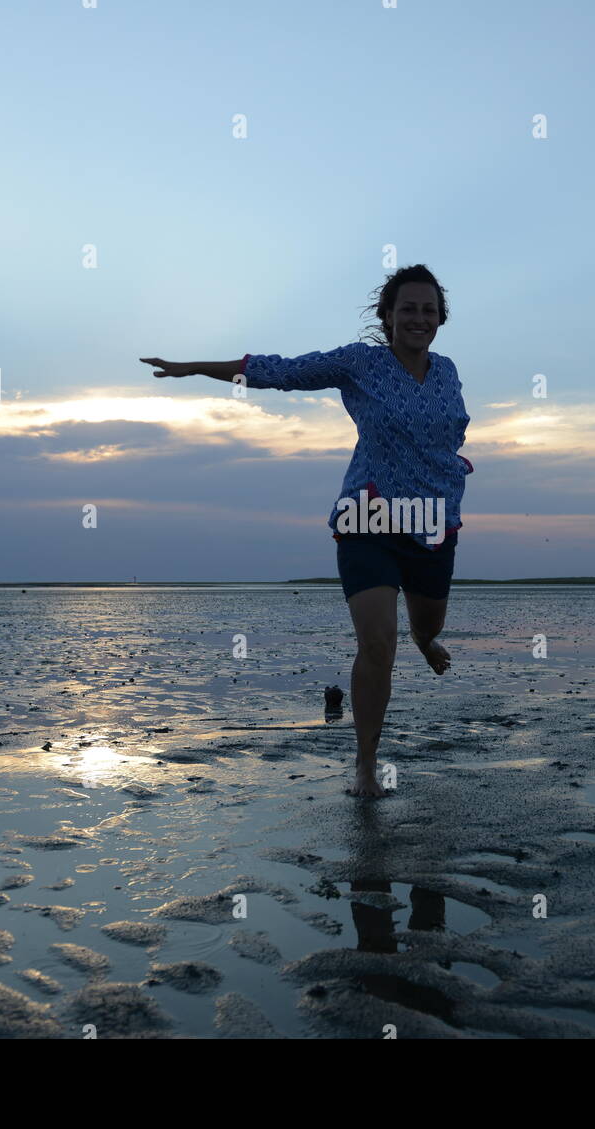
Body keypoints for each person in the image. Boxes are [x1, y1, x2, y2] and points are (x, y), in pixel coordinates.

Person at [141, 264, 473, 798]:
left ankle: (424, 638)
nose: (417, 318)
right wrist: (195, 368)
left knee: (426, 625)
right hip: (369, 516)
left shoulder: (448, 371)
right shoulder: (359, 362)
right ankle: (366, 764)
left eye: (428, 310)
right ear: (387, 317)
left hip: (434, 519)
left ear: (440, 319)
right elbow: (280, 370)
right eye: (406, 308)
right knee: (376, 642)